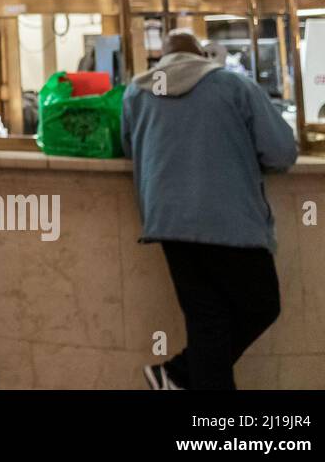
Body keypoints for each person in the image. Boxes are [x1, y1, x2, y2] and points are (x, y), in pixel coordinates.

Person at [121, 29, 298, 391]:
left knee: (208, 322)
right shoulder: (233, 86)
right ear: (203, 55)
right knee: (261, 306)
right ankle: (177, 374)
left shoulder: (135, 93)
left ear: (162, 60)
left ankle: (175, 376)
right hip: (230, 220)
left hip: (168, 222)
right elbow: (281, 152)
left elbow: (129, 148)